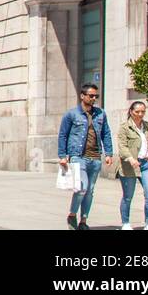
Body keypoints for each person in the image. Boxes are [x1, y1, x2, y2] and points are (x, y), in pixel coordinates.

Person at [58, 83, 115, 230]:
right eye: (91, 96)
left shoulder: (101, 114)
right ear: (82, 96)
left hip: (95, 157)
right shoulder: (71, 114)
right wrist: (62, 156)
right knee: (81, 188)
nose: (94, 98)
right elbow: (63, 135)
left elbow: (106, 133)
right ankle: (72, 215)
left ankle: (83, 220)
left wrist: (109, 153)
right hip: (78, 156)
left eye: (96, 96)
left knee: (90, 190)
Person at [116, 101, 148, 231]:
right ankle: (125, 223)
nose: (140, 114)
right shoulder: (125, 127)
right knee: (128, 196)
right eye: (137, 112)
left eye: (143, 112)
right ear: (131, 111)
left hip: (146, 163)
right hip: (130, 165)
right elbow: (122, 146)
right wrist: (130, 158)